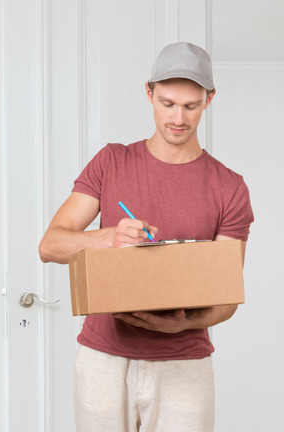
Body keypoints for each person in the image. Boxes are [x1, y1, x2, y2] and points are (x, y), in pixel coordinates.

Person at [39, 42, 254, 432]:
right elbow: (50, 245)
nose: (178, 118)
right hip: (103, 359)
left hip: (185, 364)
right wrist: (109, 237)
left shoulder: (229, 187)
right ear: (148, 93)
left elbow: (227, 297)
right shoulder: (111, 161)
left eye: (191, 106)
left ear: (209, 100)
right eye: (168, 103)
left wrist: (182, 325)